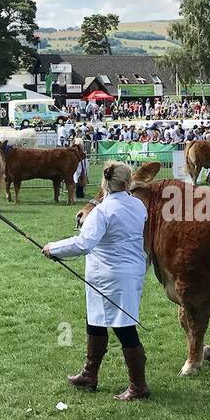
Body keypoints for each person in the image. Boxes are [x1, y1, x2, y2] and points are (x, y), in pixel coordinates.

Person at [43, 162, 150, 401]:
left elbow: (83, 244)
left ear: (104, 184)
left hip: (110, 275)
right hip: (124, 272)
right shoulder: (138, 205)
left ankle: (138, 386)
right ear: (127, 182)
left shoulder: (102, 211)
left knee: (124, 329)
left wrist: (53, 248)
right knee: (96, 322)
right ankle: (89, 375)